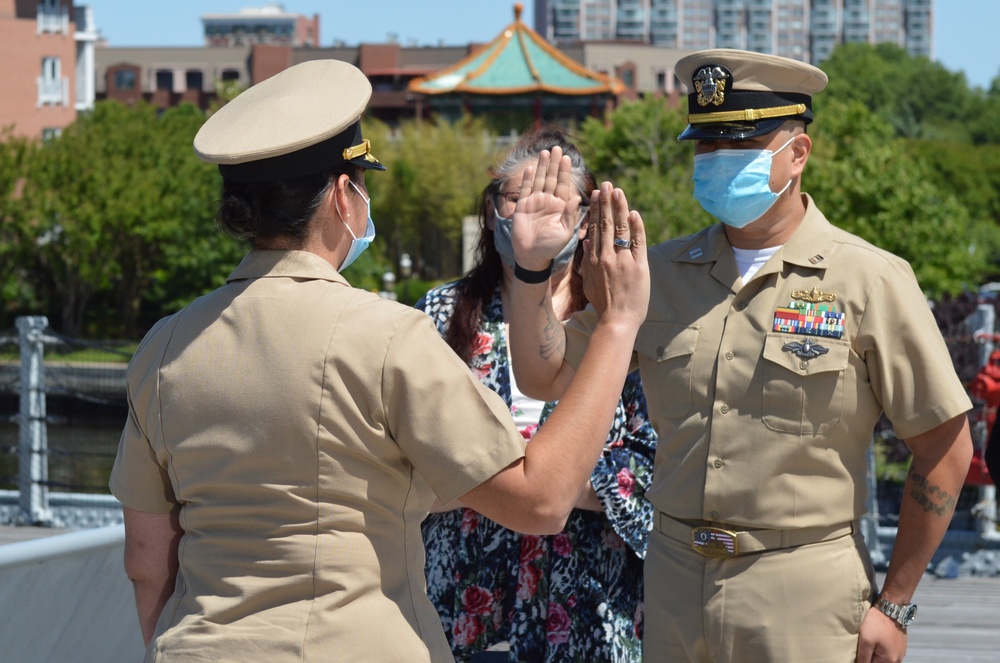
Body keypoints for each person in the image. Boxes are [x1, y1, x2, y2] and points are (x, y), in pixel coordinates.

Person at [108, 59, 650, 663]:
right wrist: (618, 323)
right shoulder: (389, 336)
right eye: (360, 184)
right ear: (344, 196)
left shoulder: (163, 347)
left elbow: (146, 561)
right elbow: (541, 500)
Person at [507, 49, 974, 663]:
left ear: (798, 155)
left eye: (741, 146)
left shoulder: (870, 279)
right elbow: (544, 377)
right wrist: (532, 268)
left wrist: (895, 603)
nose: (717, 163)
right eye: (706, 148)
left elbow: (945, 450)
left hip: (802, 590)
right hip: (673, 583)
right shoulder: (658, 274)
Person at [418, 128, 656, 662]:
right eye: (517, 200)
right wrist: (529, 480)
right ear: (490, 211)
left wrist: (536, 478)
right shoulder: (443, 312)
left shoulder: (621, 316)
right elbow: (410, 454)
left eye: (555, 200)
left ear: (587, 216)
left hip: (594, 605)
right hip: (462, 600)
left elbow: (655, 462)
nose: (535, 215)